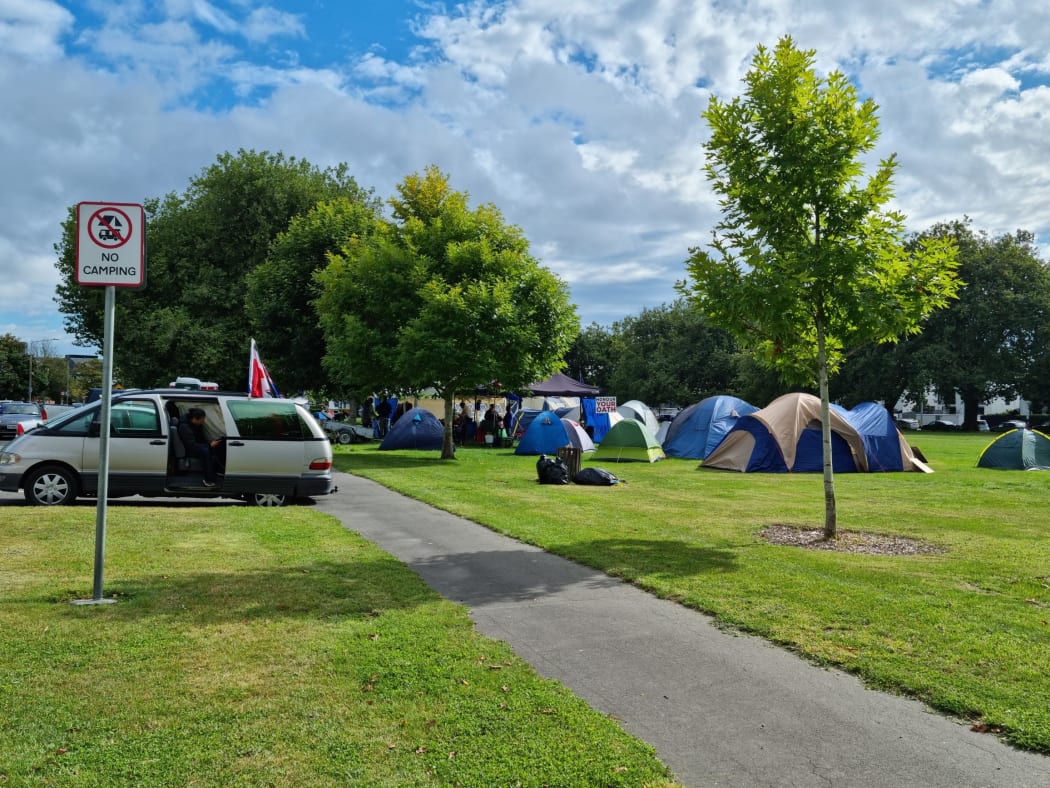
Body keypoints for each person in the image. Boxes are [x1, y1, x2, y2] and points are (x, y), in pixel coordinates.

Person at [177, 407, 222, 487]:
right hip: (189, 449)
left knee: (215, 448)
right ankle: (208, 479)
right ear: (194, 419)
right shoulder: (185, 427)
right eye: (201, 421)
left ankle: (217, 472)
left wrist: (210, 443)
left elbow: (200, 439)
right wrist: (209, 445)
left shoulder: (194, 425)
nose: (202, 423)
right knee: (206, 451)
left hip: (195, 446)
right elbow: (191, 445)